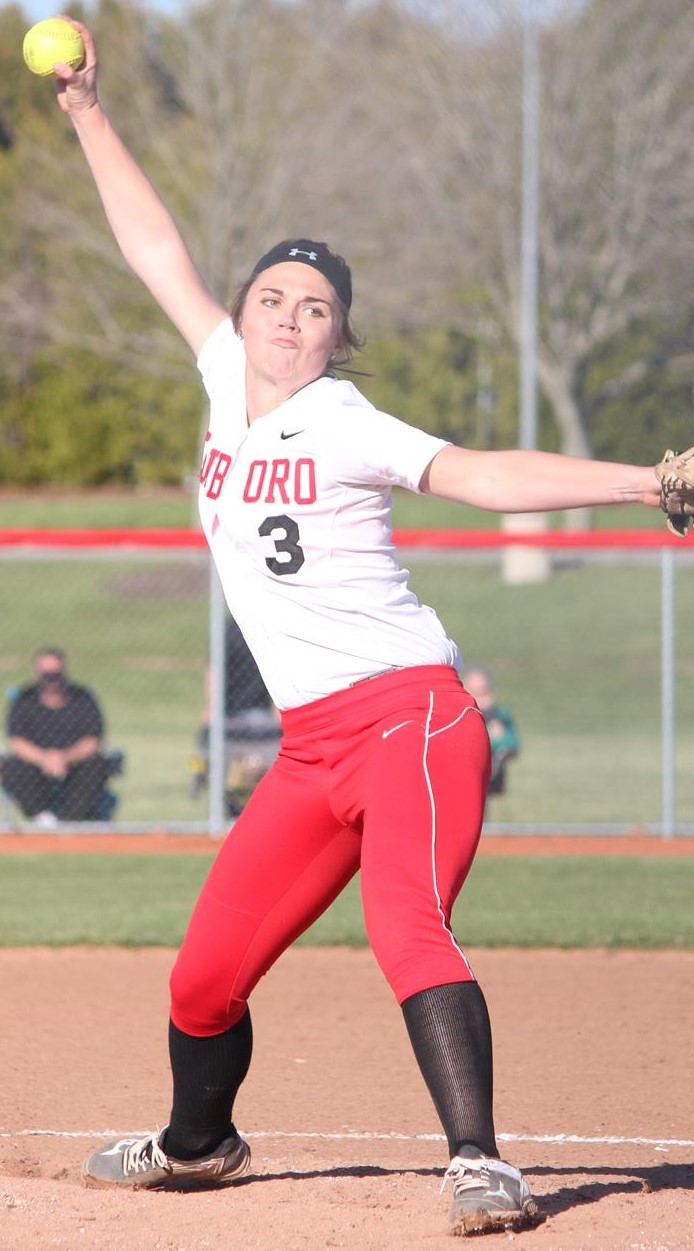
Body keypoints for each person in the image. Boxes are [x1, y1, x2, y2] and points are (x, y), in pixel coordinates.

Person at [51, 21, 662, 1235]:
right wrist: (87, 115)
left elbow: (485, 475)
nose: (288, 317)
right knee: (203, 976)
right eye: (273, 296)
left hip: (413, 719)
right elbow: (155, 248)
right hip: (310, 747)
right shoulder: (225, 376)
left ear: (338, 335)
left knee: (404, 928)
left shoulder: (351, 421)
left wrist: (649, 483)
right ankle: (199, 1143)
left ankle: (482, 1164)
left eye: (314, 306)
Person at [1, 647, 120, 825]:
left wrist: (64, 758)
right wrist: (44, 759)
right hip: (35, 763)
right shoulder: (24, 699)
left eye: (55, 675)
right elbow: (17, 741)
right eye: (46, 675)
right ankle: (42, 818)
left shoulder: (83, 698)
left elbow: (92, 740)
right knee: (11, 766)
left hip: (75, 761)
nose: (51, 681)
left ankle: (70, 820)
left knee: (97, 764)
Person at [191, 613, 281, 816]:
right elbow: (213, 667)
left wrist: (211, 705)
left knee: (244, 774)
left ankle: (234, 808)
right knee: (225, 766)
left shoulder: (255, 626)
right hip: (233, 715)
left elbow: (211, 669)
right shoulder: (239, 628)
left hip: (253, 716)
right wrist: (212, 705)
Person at [462, 667, 520, 796]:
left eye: (482, 693)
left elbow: (511, 744)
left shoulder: (499, 716)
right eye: (473, 692)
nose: (477, 698)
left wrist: (490, 717)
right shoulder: (458, 717)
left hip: (490, 779)